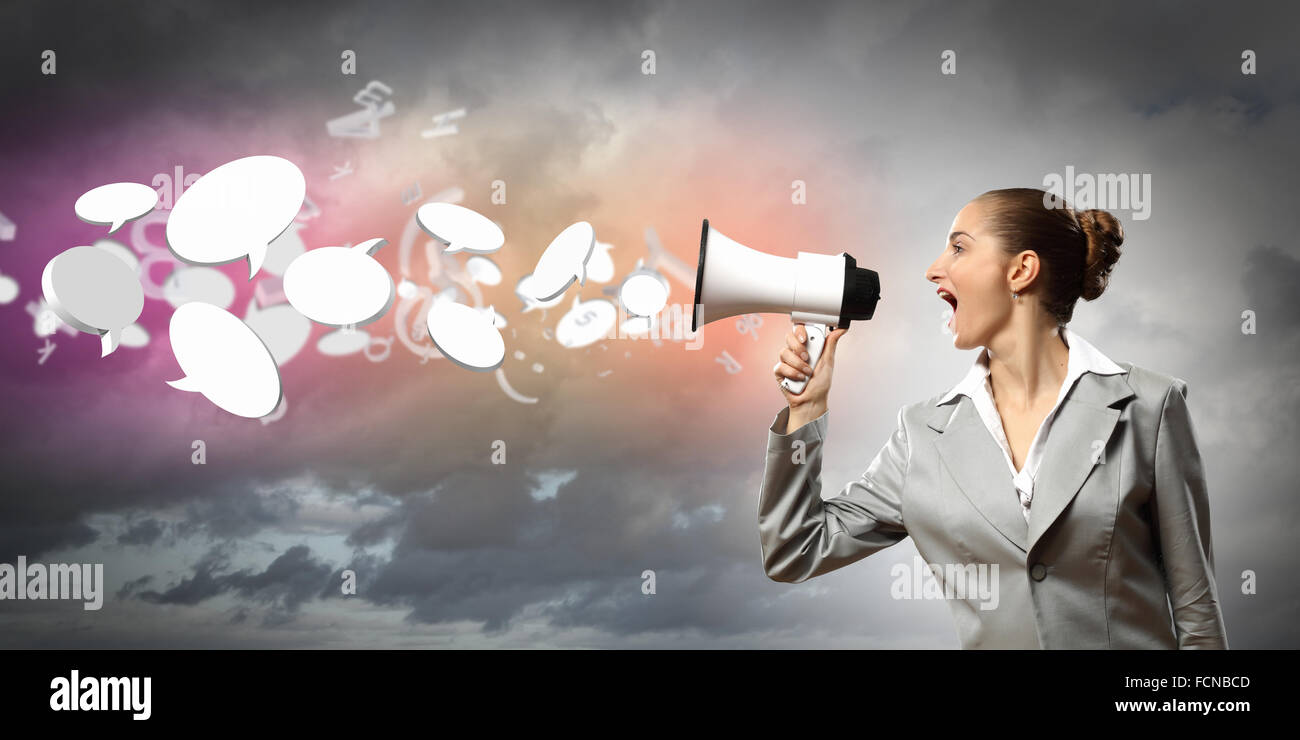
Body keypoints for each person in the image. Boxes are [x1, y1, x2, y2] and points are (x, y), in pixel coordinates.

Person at [759, 187, 1228, 649]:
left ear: (1021, 270)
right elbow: (796, 550)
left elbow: (1196, 610)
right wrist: (806, 409)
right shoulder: (922, 433)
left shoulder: (1150, 405)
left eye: (959, 247)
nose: (933, 269)